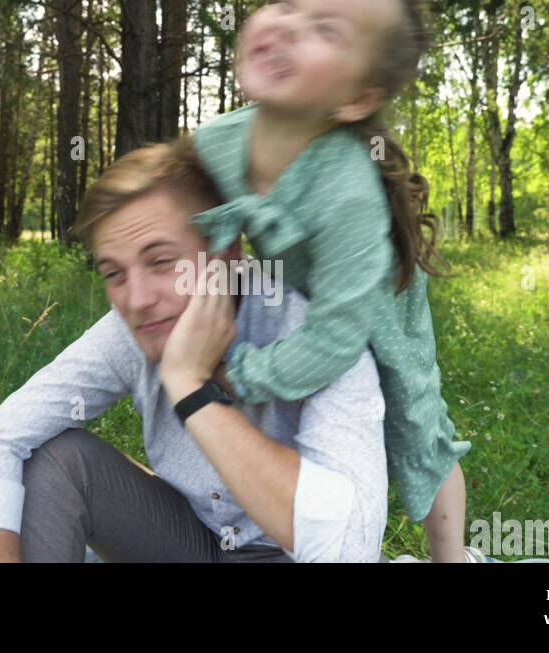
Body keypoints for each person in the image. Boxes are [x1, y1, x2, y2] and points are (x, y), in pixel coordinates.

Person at [0, 139, 392, 562]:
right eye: (114, 274)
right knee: (58, 460)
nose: (137, 300)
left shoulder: (319, 335)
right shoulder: (131, 328)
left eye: (160, 262)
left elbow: (349, 546)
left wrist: (189, 386)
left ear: (227, 254)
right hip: (195, 543)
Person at [188, 0, 473, 561]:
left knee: (417, 420)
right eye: (288, 5)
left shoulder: (347, 193)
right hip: (295, 286)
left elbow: (338, 337)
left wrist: (246, 372)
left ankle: (452, 554)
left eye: (325, 29)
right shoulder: (218, 141)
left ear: (356, 100)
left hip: (370, 297)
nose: (289, 25)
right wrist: (217, 295)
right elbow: (216, 231)